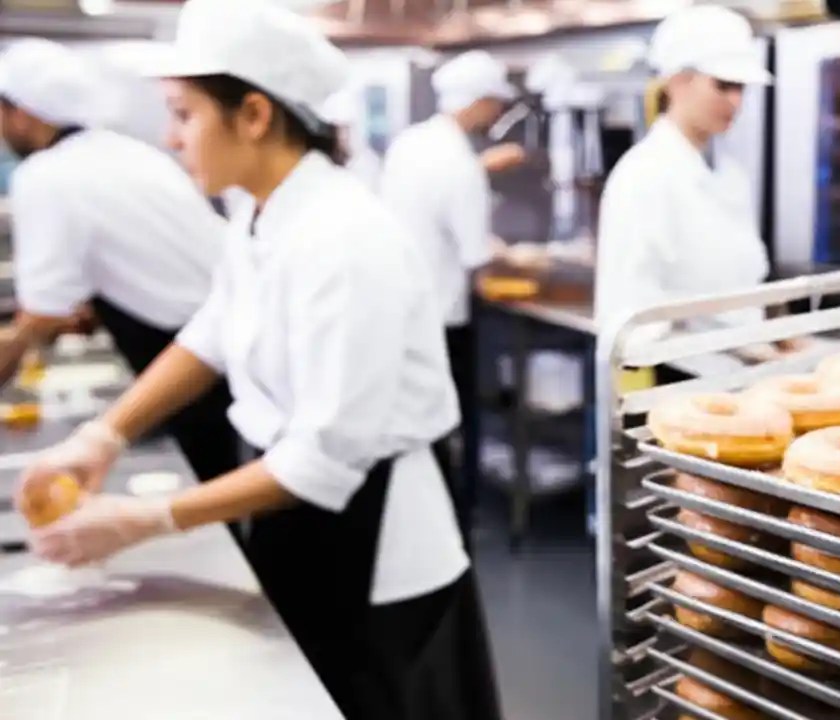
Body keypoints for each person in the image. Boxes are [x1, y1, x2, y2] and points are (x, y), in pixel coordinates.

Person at [16, 1, 501, 718]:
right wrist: (104, 434)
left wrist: (145, 520)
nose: (171, 138)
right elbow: (211, 334)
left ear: (253, 115)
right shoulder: (262, 211)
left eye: (184, 115)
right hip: (302, 520)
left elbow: (322, 461)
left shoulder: (344, 239)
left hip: (381, 560)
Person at [0, 38, 237, 483]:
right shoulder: (128, 152)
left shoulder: (46, 175)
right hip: (221, 350)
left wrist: (8, 357)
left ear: (24, 112)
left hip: (190, 359)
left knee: (201, 490)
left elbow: (41, 316)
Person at [380, 49, 525, 544]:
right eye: (494, 105)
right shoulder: (460, 165)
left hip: (400, 309)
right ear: (481, 103)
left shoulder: (410, 145)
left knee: (417, 420)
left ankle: (423, 518)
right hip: (445, 316)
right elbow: (475, 256)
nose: (495, 116)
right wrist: (528, 260)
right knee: (453, 421)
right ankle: (455, 523)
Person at [594, 6, 775, 348]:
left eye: (741, 88)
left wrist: (771, 337)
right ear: (678, 82)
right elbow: (627, 318)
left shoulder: (731, 174)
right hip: (678, 379)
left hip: (735, 370)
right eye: (723, 85)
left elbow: (739, 282)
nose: (735, 101)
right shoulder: (642, 176)